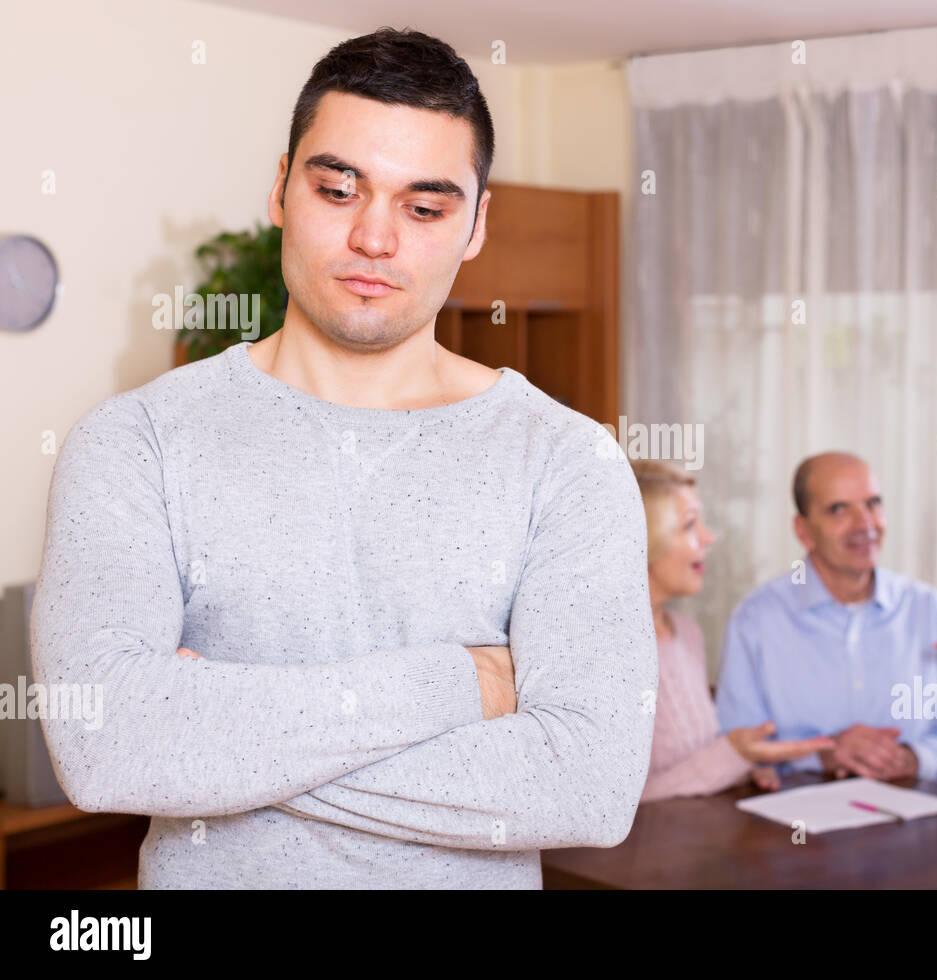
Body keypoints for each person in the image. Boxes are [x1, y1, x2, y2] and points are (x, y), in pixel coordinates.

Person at [30, 29, 657, 889]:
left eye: (424, 208)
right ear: (282, 188)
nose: (374, 237)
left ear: (476, 225)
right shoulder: (135, 441)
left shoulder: (570, 463)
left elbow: (588, 789)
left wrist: (218, 741)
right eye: (337, 189)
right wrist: (462, 685)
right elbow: (108, 745)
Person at [715, 453, 937, 783]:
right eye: (839, 509)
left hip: (914, 822)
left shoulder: (929, 609)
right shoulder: (756, 619)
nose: (864, 524)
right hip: (796, 828)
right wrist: (822, 755)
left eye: (873, 504)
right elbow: (733, 753)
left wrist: (912, 759)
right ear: (803, 530)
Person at [631, 460, 833, 801]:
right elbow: (610, 813)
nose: (709, 537)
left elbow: (695, 766)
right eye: (690, 525)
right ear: (643, 537)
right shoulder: (594, 652)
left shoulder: (686, 633)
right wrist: (731, 755)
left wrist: (741, 768)